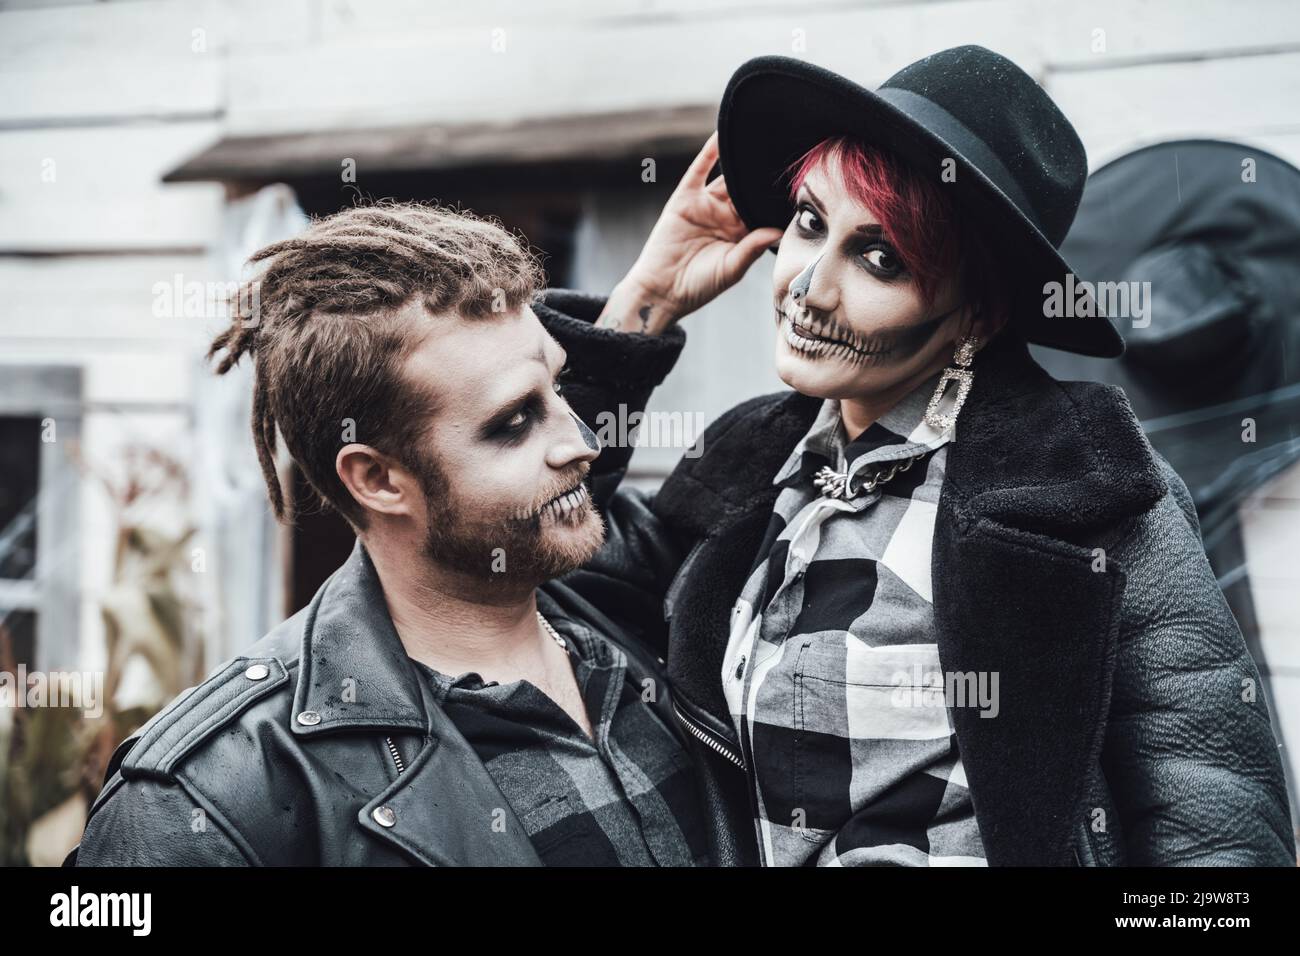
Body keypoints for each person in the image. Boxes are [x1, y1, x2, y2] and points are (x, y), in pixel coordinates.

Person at [545, 46, 1297, 865]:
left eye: (880, 258)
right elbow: (549, 565)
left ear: (978, 310)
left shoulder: (1091, 485)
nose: (808, 287)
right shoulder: (751, 457)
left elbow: (1217, 837)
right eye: (808, 223)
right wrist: (645, 302)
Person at [66, 202, 709, 866]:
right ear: (377, 479)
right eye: (516, 421)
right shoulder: (212, 797)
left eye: (558, 386)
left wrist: (649, 303)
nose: (579, 443)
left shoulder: (647, 615)